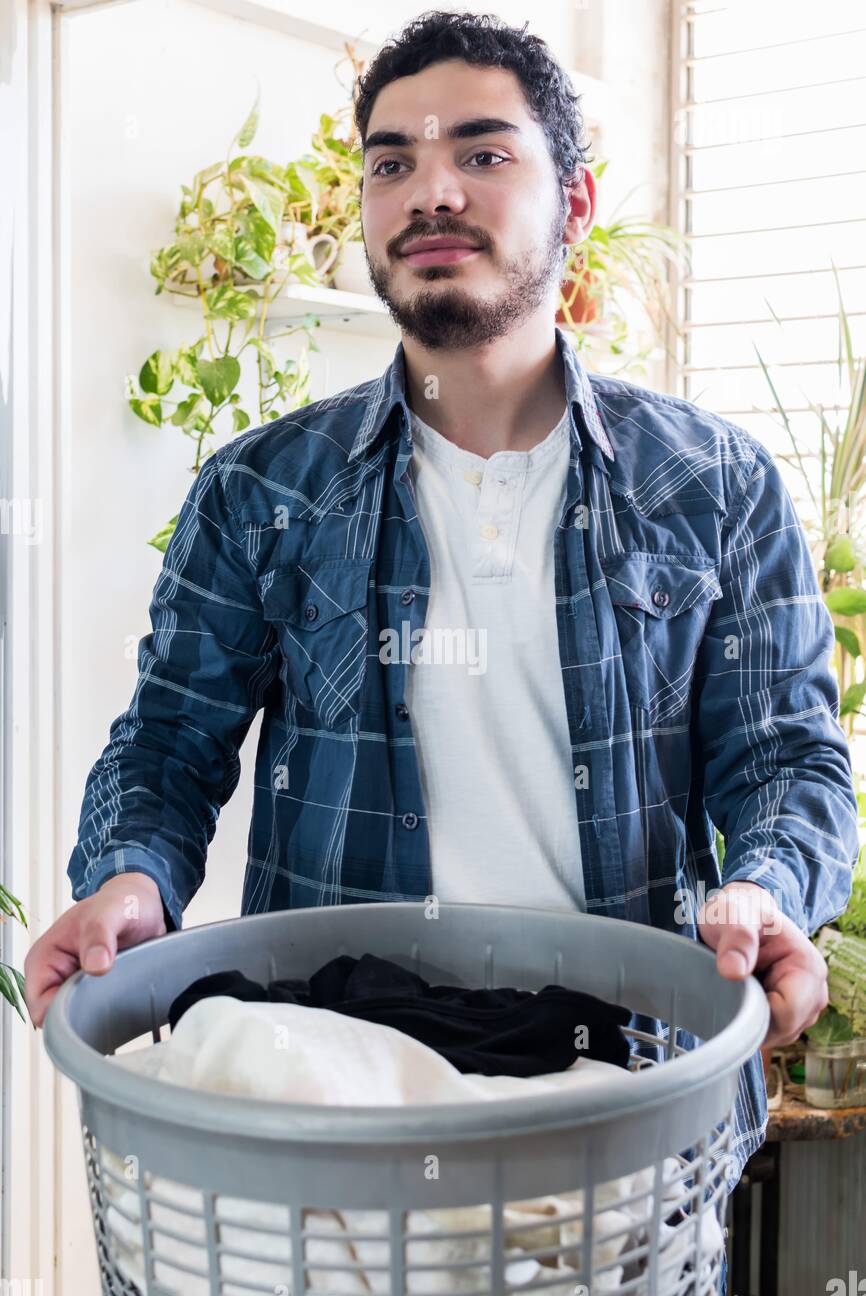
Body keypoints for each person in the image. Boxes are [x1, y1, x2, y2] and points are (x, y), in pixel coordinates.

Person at [26, 11, 857, 1214]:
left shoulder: (714, 485)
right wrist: (129, 877)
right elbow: (167, 743)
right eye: (391, 162)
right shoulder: (262, 489)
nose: (430, 192)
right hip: (335, 1109)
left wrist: (767, 887)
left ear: (574, 202)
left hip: (619, 1112)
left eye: (480, 153)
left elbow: (785, 759)